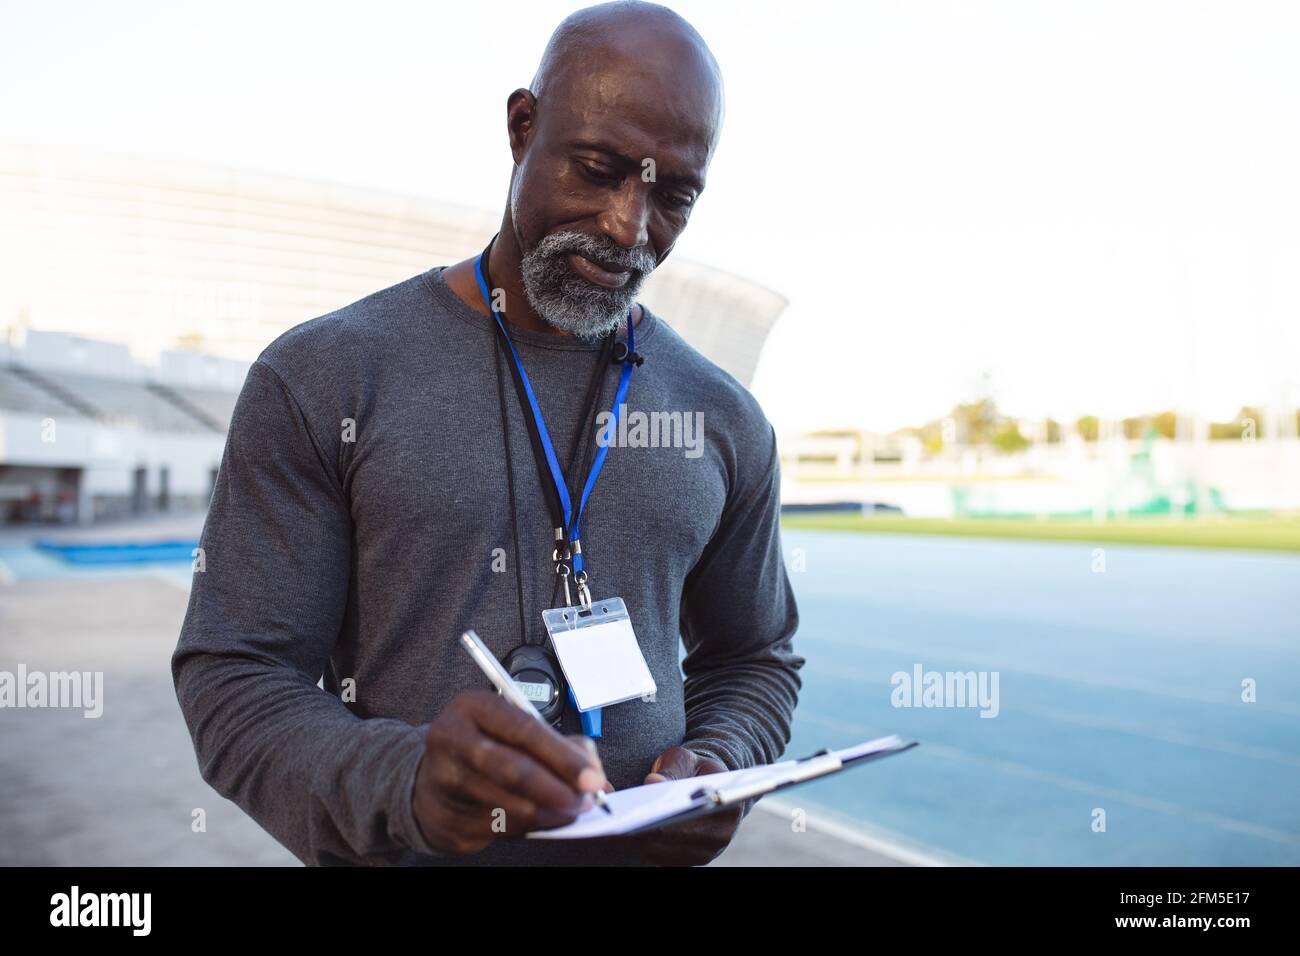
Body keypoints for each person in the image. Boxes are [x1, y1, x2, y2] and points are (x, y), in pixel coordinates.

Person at [172, 0, 802, 867]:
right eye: (598, 169)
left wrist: (720, 761)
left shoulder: (726, 417)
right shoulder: (321, 376)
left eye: (673, 196)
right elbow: (234, 679)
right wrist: (408, 785)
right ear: (521, 127)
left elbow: (757, 659)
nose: (629, 226)